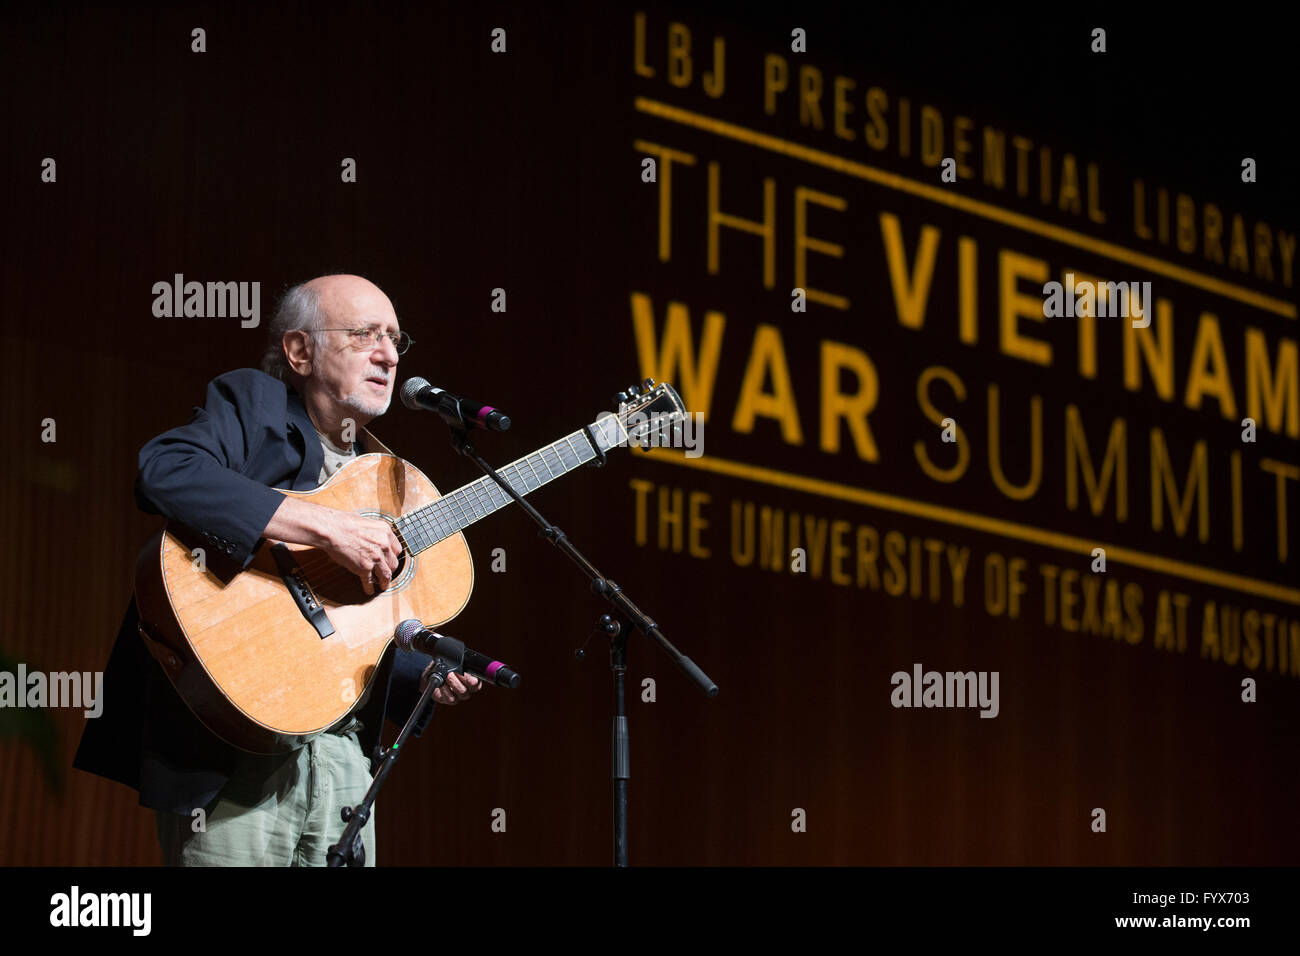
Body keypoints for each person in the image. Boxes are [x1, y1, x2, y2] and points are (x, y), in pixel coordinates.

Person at [73, 274, 483, 866]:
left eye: (395, 339)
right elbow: (165, 469)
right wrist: (323, 527)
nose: (388, 353)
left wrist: (416, 678)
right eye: (364, 333)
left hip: (343, 760)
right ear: (299, 351)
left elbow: (352, 631)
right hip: (230, 752)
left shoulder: (385, 476)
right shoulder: (255, 407)